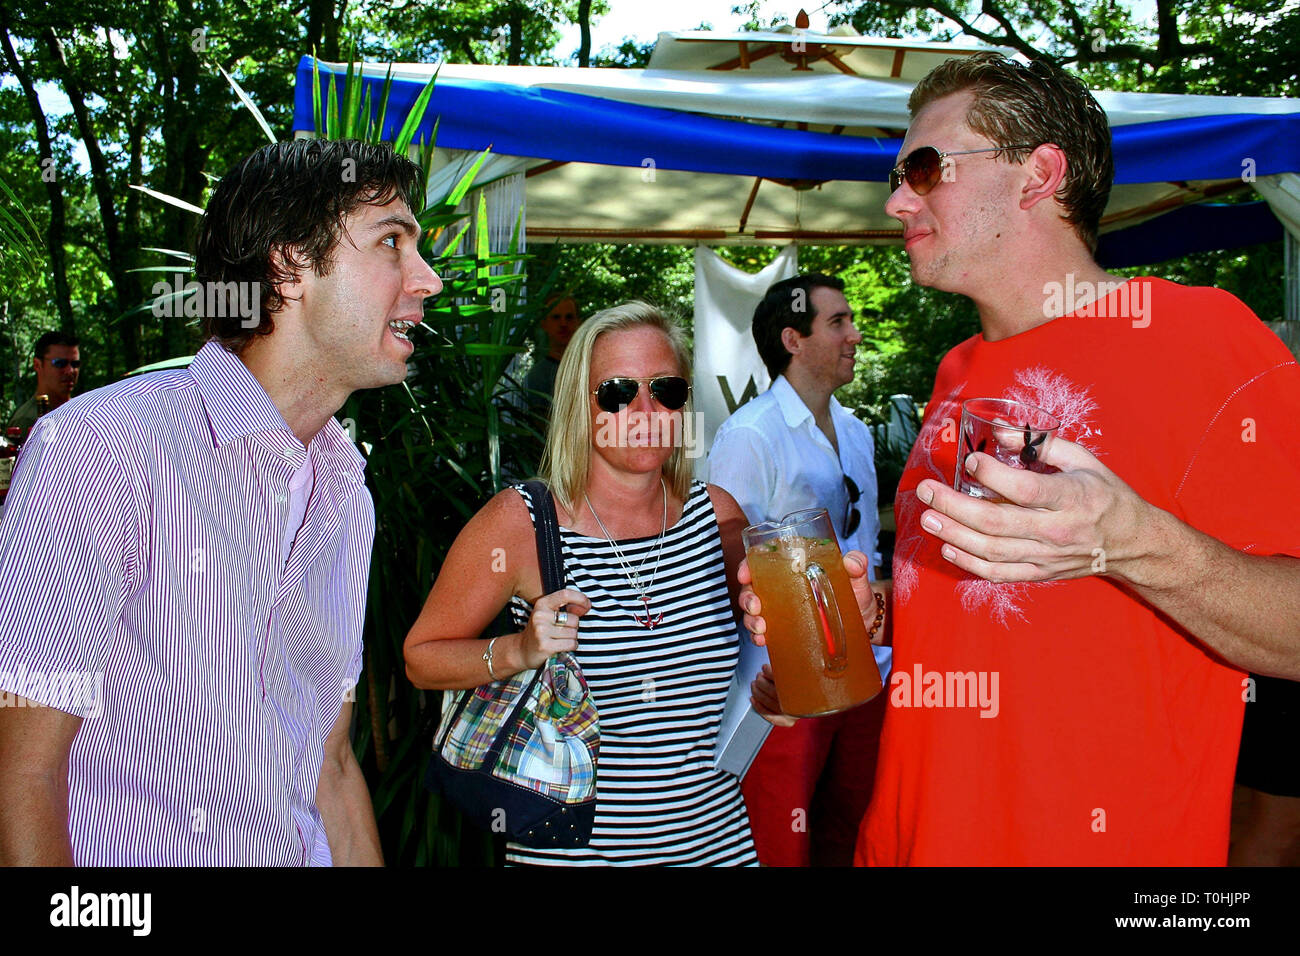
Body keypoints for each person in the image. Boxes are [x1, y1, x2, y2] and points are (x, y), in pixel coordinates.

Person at [741, 53, 1300, 865]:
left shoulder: (1206, 339)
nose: (898, 199)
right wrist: (868, 616)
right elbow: (984, 615)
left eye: (925, 169)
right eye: (897, 175)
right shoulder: (957, 372)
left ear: (1039, 174)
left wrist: (1136, 542)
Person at [0, 138, 442, 865]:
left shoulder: (345, 491)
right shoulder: (101, 446)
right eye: (391, 241)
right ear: (288, 264)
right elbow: (23, 768)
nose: (426, 280)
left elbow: (329, 763)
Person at [405, 301, 789, 866]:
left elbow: (762, 660)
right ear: (578, 407)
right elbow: (421, 659)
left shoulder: (719, 516)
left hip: (718, 848)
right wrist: (520, 649)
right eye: (616, 392)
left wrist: (778, 696)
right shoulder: (521, 523)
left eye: (667, 390)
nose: (644, 409)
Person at [707, 272, 890, 867]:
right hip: (786, 685)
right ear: (793, 338)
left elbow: (868, 547)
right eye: (838, 322)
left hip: (870, 672)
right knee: (783, 840)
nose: (855, 335)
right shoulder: (748, 436)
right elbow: (718, 562)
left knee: (855, 830)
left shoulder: (858, 432)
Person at [7, 331, 81, 432]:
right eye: (60, 363)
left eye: (75, 364)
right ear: (37, 365)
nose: (70, 371)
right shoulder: (28, 420)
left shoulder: (80, 412)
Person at [524, 293, 581, 410]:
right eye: (556, 317)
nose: (563, 324)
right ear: (544, 324)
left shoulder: (591, 368)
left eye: (569, 317)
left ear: (578, 322)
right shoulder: (537, 378)